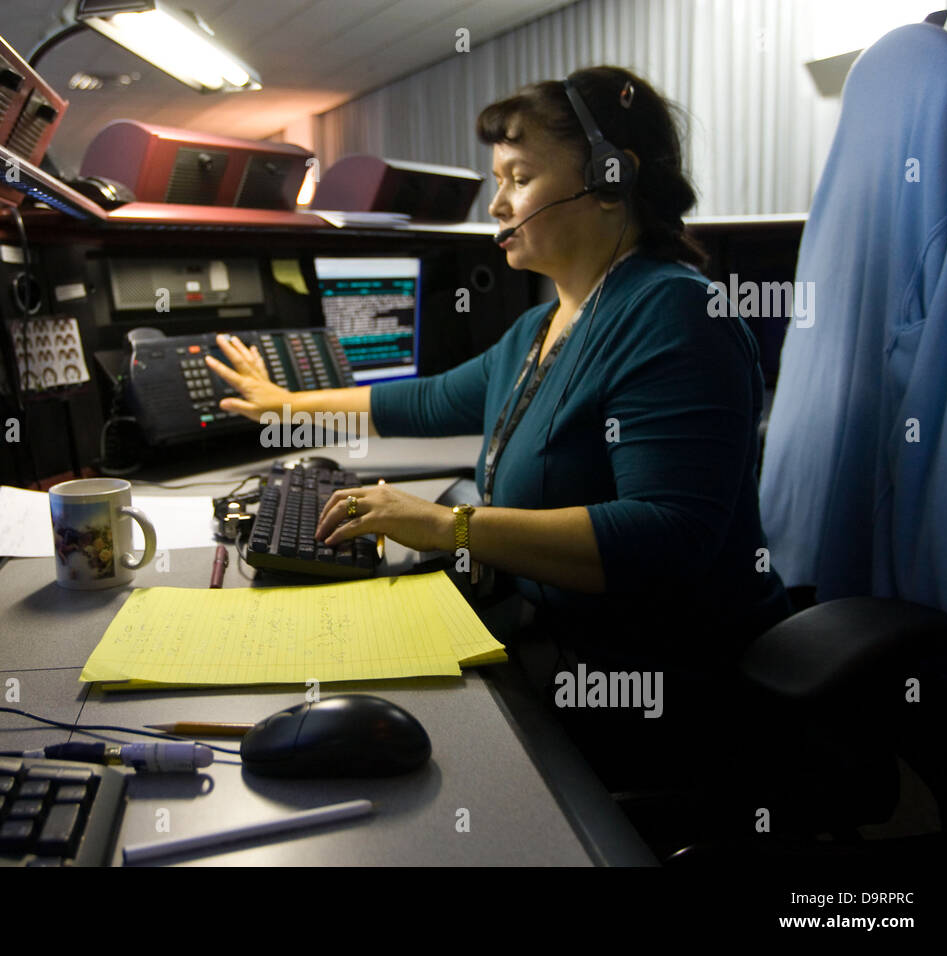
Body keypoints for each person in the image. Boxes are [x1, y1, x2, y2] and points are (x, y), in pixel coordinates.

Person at [205, 66, 791, 787]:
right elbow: (424, 401)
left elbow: (665, 536)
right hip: (557, 648)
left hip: (660, 690)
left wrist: (450, 528)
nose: (497, 202)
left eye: (517, 177)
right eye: (496, 179)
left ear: (610, 181)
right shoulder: (542, 327)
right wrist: (283, 407)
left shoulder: (673, 315)